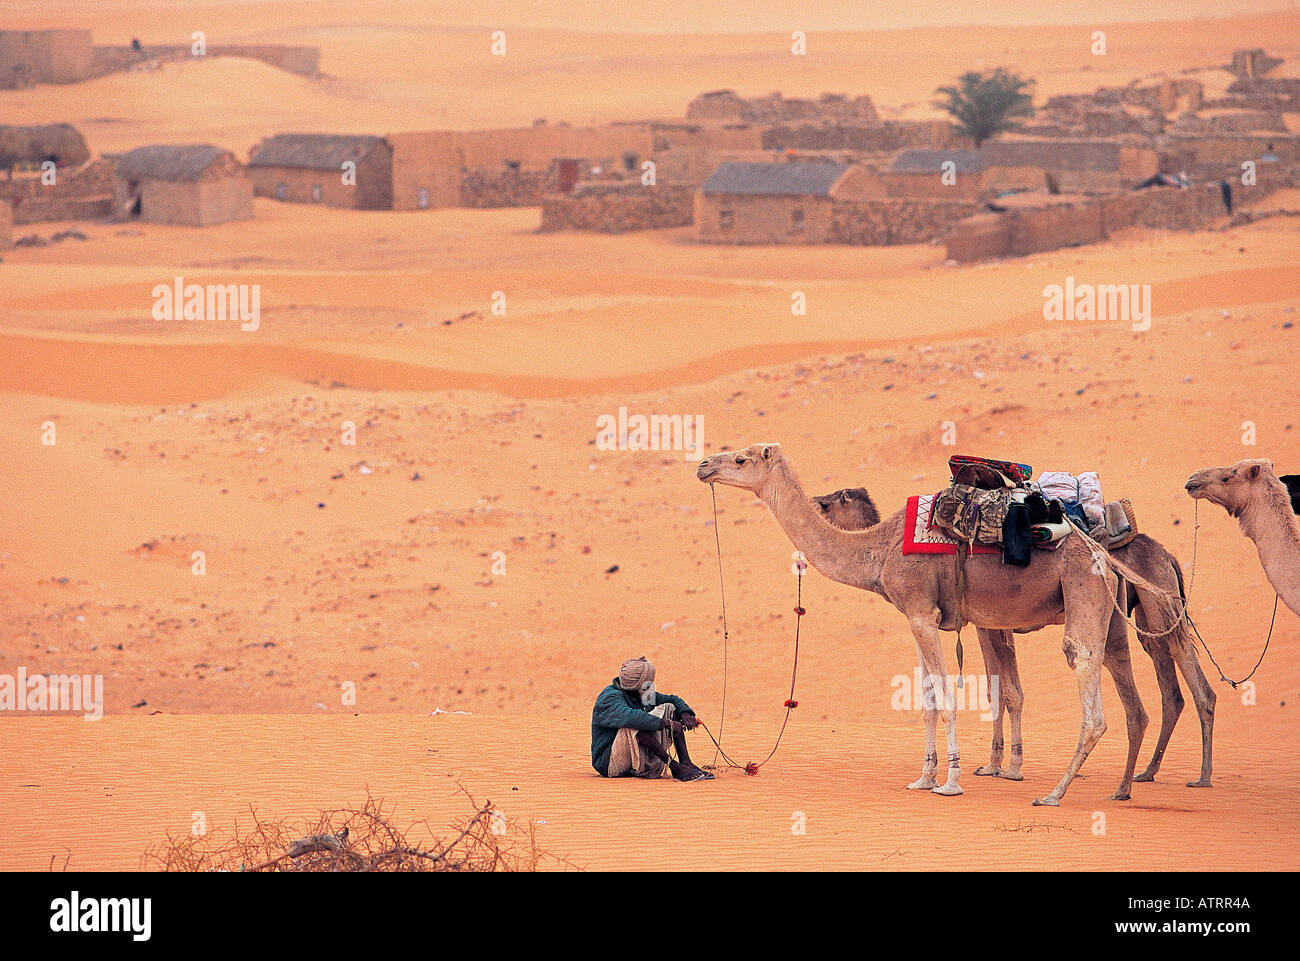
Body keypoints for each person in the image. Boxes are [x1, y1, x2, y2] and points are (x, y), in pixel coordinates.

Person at [590, 656, 714, 781]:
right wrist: (667, 724)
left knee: (670, 708)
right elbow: (631, 717)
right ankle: (675, 767)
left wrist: (685, 714)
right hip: (608, 763)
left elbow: (672, 700)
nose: (651, 684)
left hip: (632, 757)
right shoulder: (609, 698)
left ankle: (686, 763)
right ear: (638, 683)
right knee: (636, 724)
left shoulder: (642, 694)